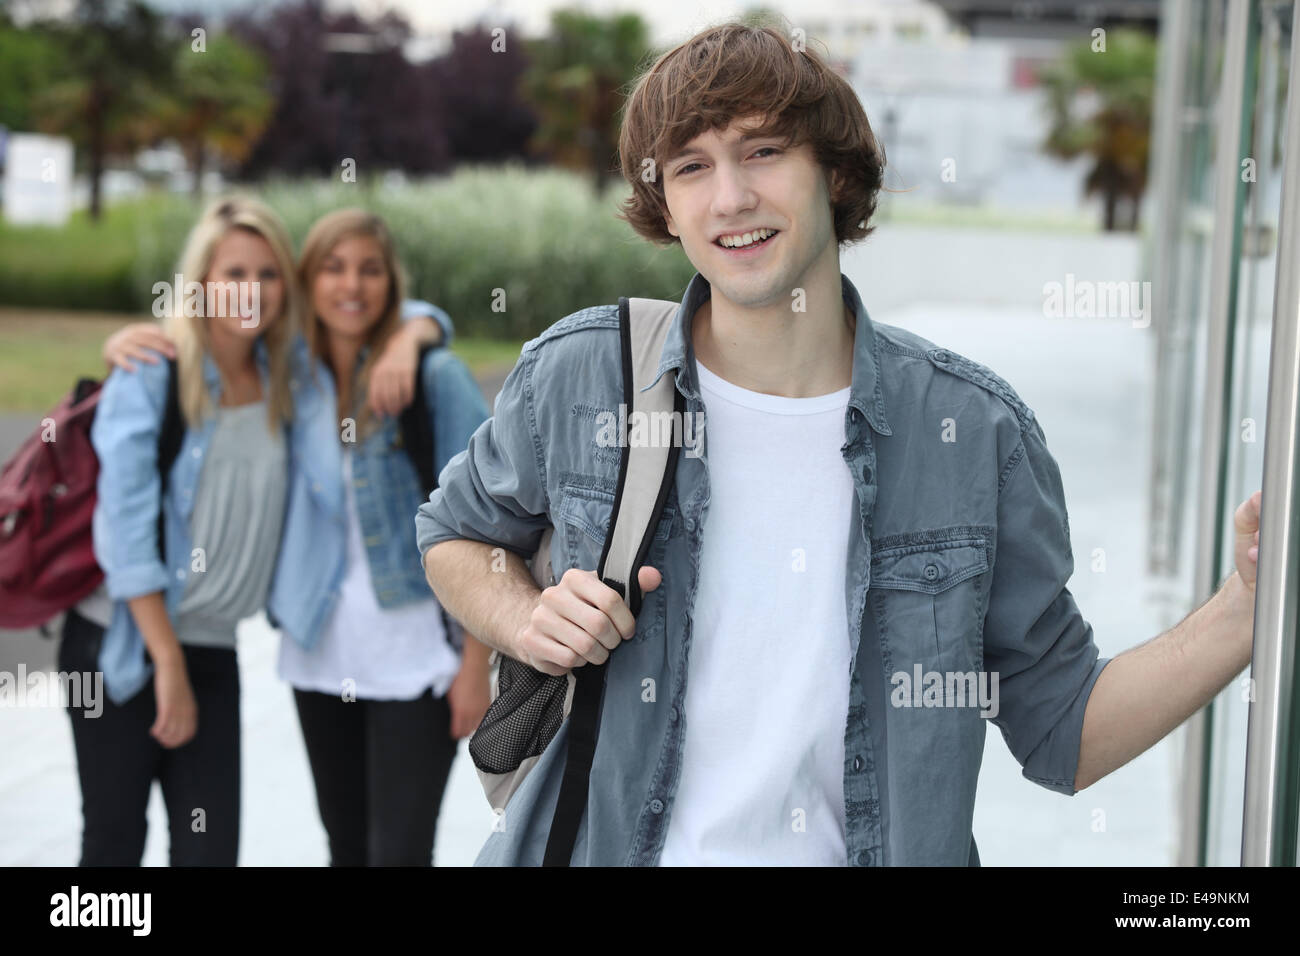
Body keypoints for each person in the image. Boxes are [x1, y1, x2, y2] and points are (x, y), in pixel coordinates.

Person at [416, 20, 1264, 866]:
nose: (730, 199)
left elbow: (1066, 728)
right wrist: (527, 618)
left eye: (762, 152)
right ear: (663, 205)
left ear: (835, 172)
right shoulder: (581, 378)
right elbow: (453, 533)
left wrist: (1245, 606)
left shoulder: (972, 432)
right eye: (691, 168)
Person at [105, 208, 491, 866]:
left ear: (391, 283)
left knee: (397, 853)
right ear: (307, 283)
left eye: (371, 269)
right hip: (323, 653)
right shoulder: (292, 375)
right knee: (344, 847)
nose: (352, 286)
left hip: (419, 658)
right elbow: (204, 335)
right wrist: (132, 340)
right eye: (332, 268)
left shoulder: (432, 377)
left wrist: (477, 666)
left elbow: (490, 522)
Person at [66, 195, 299, 866]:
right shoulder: (151, 373)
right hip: (122, 642)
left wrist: (421, 329)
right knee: (112, 846)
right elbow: (126, 529)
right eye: (234, 274)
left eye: (268, 273)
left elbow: (378, 324)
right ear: (200, 283)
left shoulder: (286, 376)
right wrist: (165, 661)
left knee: (208, 849)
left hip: (212, 646)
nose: (252, 290)